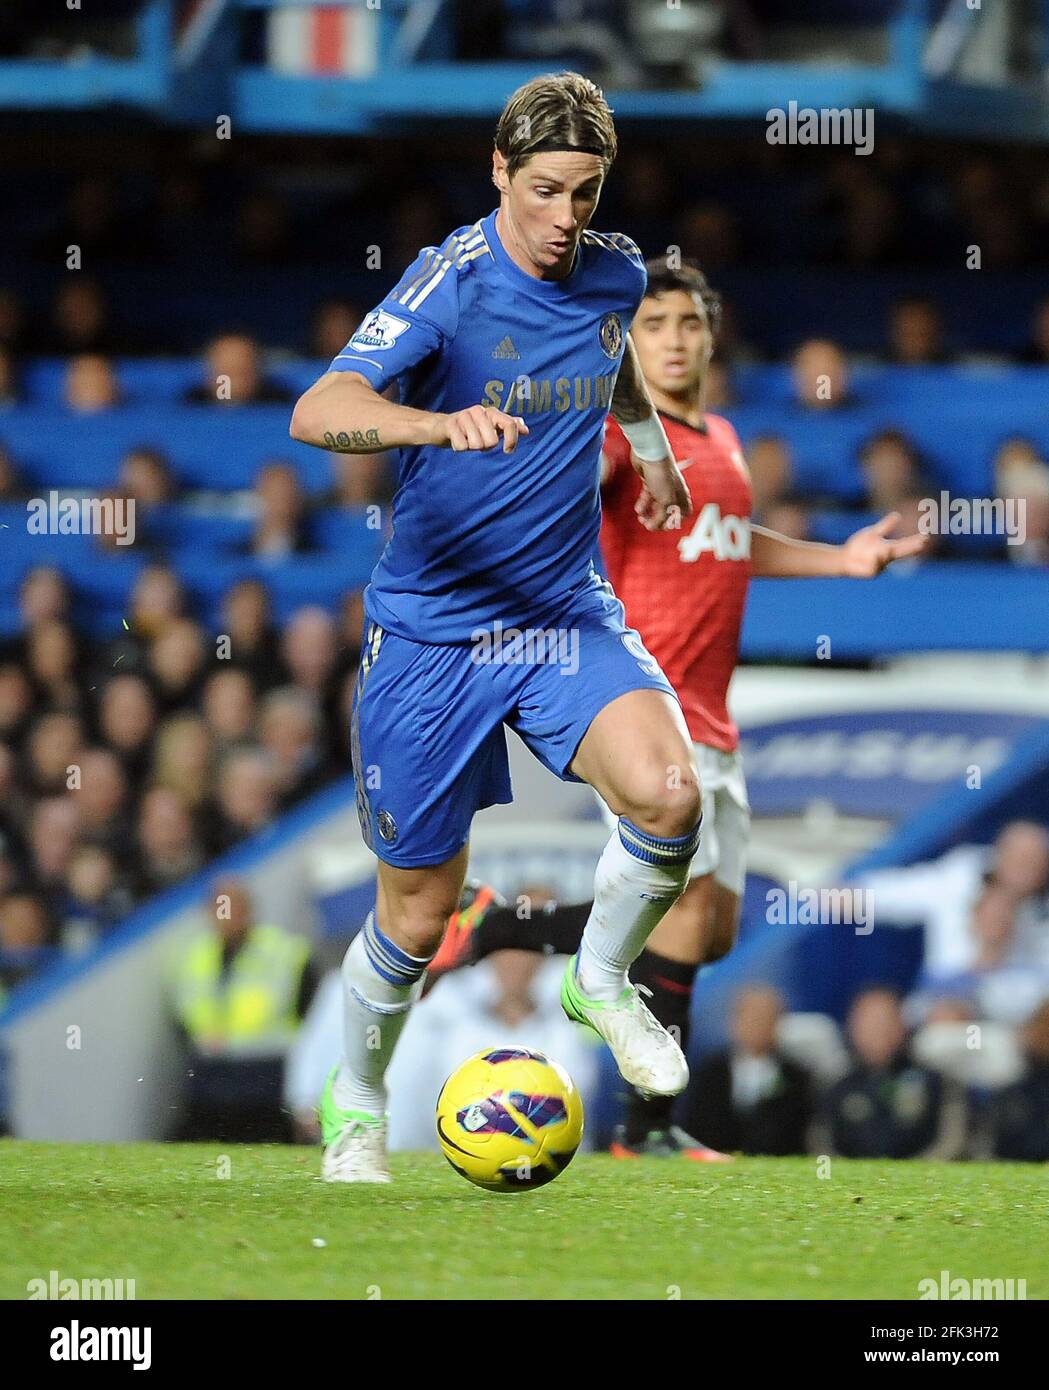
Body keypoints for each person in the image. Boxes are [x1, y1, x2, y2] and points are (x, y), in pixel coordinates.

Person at [291, 71, 702, 1184]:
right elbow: (317, 408)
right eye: (544, 190)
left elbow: (610, 359)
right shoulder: (448, 285)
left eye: (585, 189)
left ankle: (599, 978)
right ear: (497, 174)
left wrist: (652, 451)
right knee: (418, 913)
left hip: (561, 610)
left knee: (670, 797)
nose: (565, 216)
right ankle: (359, 1103)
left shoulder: (613, 268)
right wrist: (436, 420)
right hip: (433, 634)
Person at [426, 255, 926, 1158]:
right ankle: (613, 1088)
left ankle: (631, 1106)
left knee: (707, 931)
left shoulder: (724, 438)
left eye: (687, 323)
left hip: (714, 715)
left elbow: (729, 541)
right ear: (629, 340)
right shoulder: (627, 441)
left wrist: (839, 561)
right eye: (651, 325)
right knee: (680, 911)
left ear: (709, 332)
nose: (671, 339)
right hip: (645, 705)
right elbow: (569, 485)